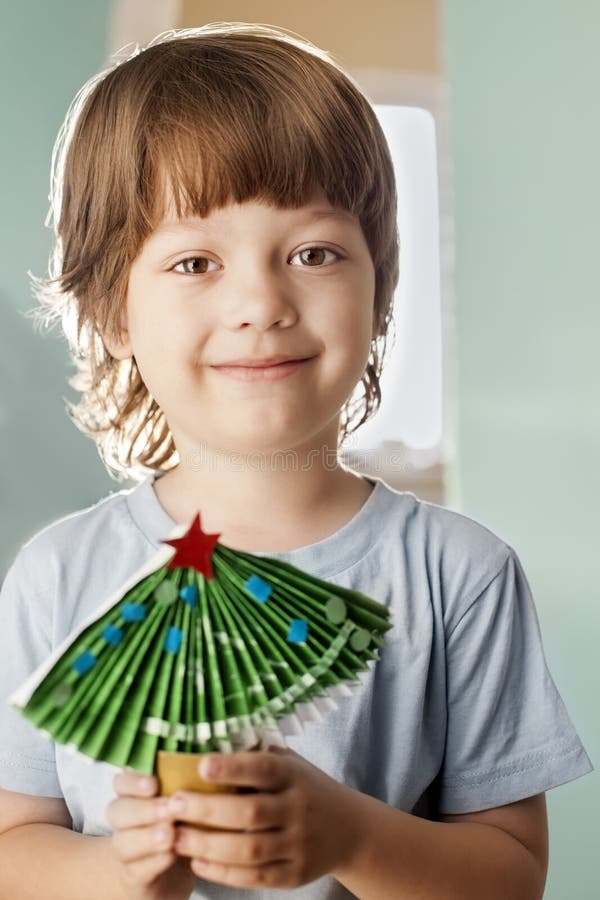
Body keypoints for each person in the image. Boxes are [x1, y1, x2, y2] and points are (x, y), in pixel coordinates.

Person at [0, 21, 593, 900]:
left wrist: (348, 832)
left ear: (378, 286)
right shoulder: (58, 578)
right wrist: (122, 872)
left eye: (313, 253)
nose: (260, 301)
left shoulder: (459, 575)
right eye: (196, 260)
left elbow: (510, 875)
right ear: (113, 311)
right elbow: (15, 847)